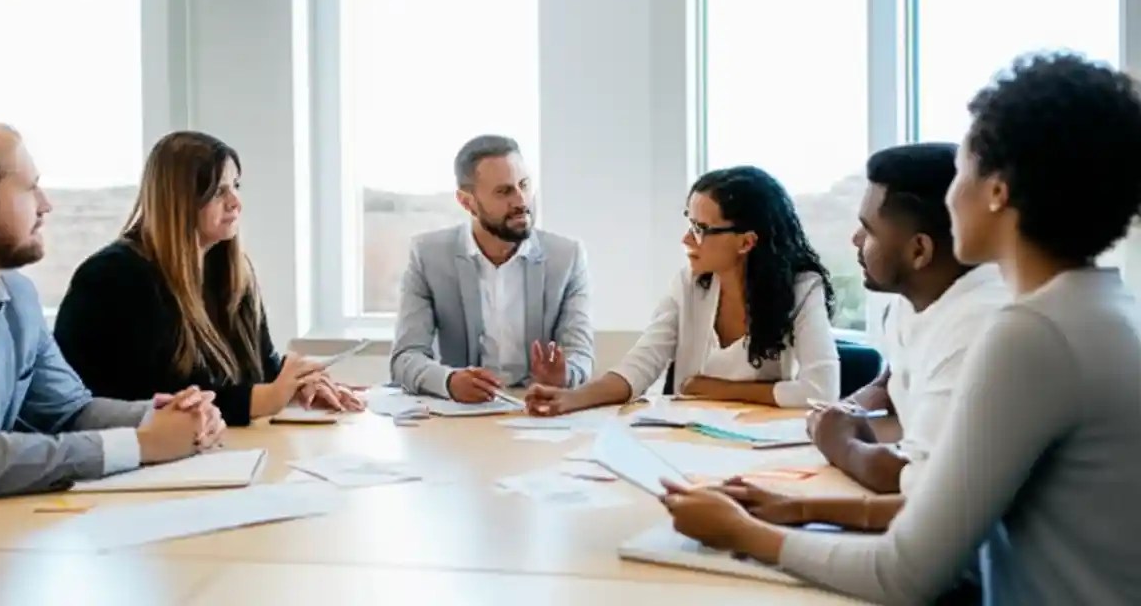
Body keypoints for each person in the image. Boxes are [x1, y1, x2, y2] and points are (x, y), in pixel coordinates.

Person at [661, 52, 1141, 605]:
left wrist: (745, 534)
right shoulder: (1098, 311)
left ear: (997, 190)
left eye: (961, 170)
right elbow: (952, 508)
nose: (950, 193)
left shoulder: (1031, 334)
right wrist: (797, 507)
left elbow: (905, 575)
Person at [0, 119, 223, 549]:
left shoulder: (16, 296)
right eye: (30, 188)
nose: (46, 204)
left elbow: (68, 410)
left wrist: (166, 415)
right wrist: (141, 443)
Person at [55, 131, 363, 427]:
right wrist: (267, 397)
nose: (235, 203)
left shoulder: (229, 270)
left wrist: (299, 382)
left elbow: (261, 369)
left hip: (213, 451)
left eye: (236, 186)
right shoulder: (115, 277)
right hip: (134, 461)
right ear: (179, 200)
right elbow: (166, 399)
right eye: (218, 191)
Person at [527, 166, 840, 415]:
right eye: (690, 224)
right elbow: (641, 365)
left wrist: (715, 389)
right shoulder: (688, 284)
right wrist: (570, 399)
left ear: (746, 242)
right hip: (690, 445)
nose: (687, 240)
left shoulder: (801, 288)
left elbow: (821, 391)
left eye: (700, 230)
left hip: (765, 453)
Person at [803, 143, 1010, 504]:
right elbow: (897, 379)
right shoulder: (909, 303)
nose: (855, 239)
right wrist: (849, 408)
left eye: (868, 230)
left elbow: (912, 479)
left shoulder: (980, 324)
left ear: (919, 251)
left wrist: (838, 442)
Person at [391, 135, 594, 402]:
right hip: (462, 416)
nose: (521, 201)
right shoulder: (428, 256)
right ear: (467, 202)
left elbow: (582, 357)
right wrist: (449, 381)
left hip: (536, 411)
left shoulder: (566, 257)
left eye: (524, 185)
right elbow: (405, 358)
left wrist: (564, 375)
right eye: (504, 191)